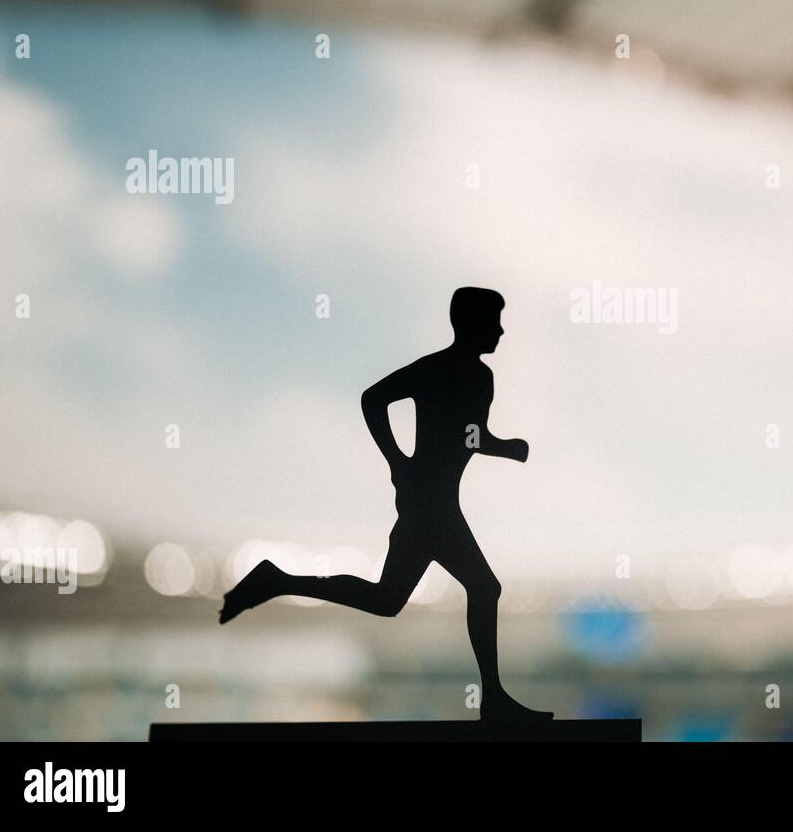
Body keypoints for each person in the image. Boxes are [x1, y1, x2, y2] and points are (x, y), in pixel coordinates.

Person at [220, 287, 552, 723]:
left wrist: (504, 447)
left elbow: (468, 435)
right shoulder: (433, 370)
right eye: (494, 321)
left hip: (434, 502)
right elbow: (372, 399)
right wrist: (399, 462)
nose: (501, 330)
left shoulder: (481, 379)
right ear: (470, 324)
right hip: (428, 503)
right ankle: (492, 699)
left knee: (386, 599)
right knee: (484, 587)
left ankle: (277, 579)